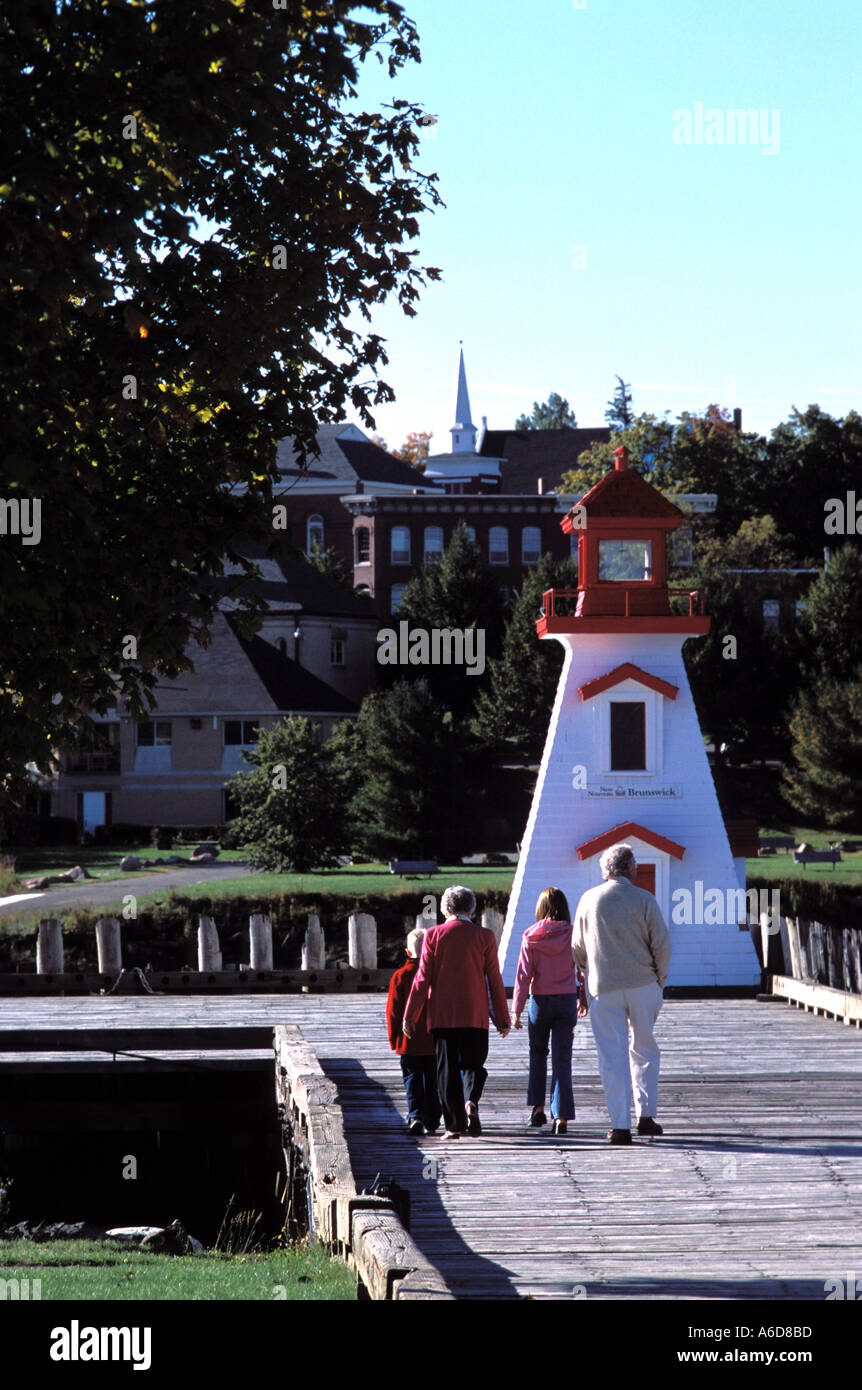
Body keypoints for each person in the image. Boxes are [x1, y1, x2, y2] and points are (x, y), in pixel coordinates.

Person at [572, 842, 672, 1145]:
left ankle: (619, 1126)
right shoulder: (645, 899)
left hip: (603, 987)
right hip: (643, 984)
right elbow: (662, 945)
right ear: (630, 867)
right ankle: (646, 1116)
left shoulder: (588, 899)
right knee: (644, 1050)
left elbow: (577, 947)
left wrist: (584, 976)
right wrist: (659, 981)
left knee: (611, 1056)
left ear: (605, 870)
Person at [403, 885, 510, 1139]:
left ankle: (453, 1126)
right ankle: (471, 1100)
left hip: (442, 1015)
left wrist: (410, 1014)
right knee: (473, 1064)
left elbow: (422, 979)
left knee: (447, 1071)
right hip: (475, 1014)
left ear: (445, 909)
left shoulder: (433, 935)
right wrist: (503, 1020)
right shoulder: (485, 936)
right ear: (471, 908)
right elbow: (494, 980)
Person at [511, 887, 586, 1137]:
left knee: (537, 1054)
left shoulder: (531, 936)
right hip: (566, 1000)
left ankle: (538, 1109)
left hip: (540, 1002)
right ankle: (561, 1117)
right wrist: (583, 997)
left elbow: (523, 976)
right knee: (562, 1059)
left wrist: (516, 1010)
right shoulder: (573, 934)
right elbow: (582, 970)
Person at [386, 926, 443, 1136]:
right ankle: (434, 1117)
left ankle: (416, 1115)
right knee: (433, 1080)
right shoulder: (437, 975)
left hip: (408, 1042)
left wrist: (394, 1038)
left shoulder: (400, 976)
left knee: (412, 1079)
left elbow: (393, 1011)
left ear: (408, 952)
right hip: (433, 1041)